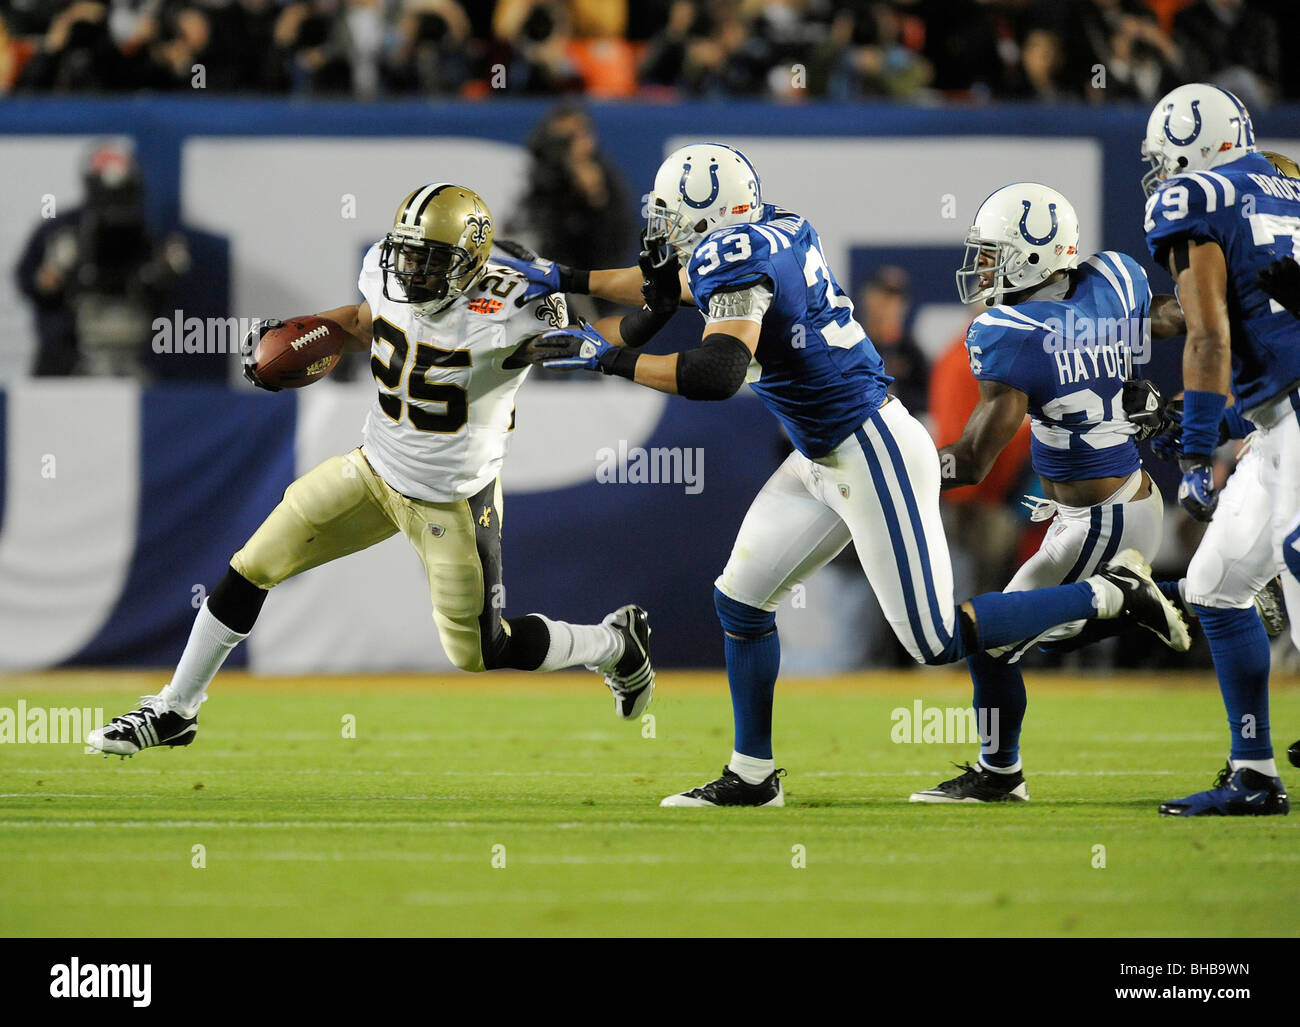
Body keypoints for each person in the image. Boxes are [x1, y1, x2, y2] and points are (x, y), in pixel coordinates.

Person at [497, 142, 1191, 808]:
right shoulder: (771, 234)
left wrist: (605, 357)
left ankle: (1111, 597)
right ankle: (752, 773)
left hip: (869, 448)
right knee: (741, 600)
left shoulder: (736, 259)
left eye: (674, 216)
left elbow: (714, 373)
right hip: (823, 453)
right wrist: (566, 279)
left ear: (711, 218)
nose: (664, 230)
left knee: (936, 642)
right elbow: (668, 288)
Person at [87, 183, 655, 757]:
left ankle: (613, 643)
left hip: (452, 501)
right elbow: (364, 322)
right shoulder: (386, 275)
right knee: (252, 565)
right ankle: (175, 710)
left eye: (433, 261)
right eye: (408, 255)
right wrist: (307, 333)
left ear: (471, 262)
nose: (414, 272)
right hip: (372, 471)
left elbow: (597, 342)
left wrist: (644, 323)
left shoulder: (515, 307)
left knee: (482, 652)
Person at [909, 183, 1180, 803]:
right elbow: (1167, 314)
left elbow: (973, 461)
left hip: (1106, 518)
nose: (979, 268)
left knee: (988, 628)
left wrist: (899, 469)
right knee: (991, 639)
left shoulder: (1011, 329)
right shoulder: (1109, 282)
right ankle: (1000, 772)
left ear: (1032, 256)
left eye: (991, 254)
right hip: (1098, 509)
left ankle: (1185, 596)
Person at [1139, 84, 1299, 816]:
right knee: (1215, 585)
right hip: (1280, 418)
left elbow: (1211, 335)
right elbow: (1256, 328)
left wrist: (1198, 453)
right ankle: (1255, 773)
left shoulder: (1193, 197)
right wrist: (1230, 425)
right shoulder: (1286, 179)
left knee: (1297, 547)